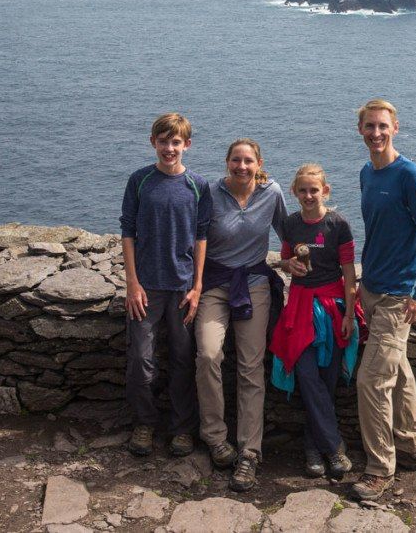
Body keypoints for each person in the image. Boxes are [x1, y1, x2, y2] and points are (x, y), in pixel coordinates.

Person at [352, 99, 416, 501]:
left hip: (397, 297)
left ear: (396, 128)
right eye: (369, 126)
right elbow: (375, 233)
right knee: (398, 369)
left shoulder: (409, 175)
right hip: (372, 289)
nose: (376, 133)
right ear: (361, 130)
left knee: (372, 381)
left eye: (383, 126)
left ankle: (379, 469)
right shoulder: (367, 174)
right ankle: (412, 443)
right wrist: (360, 282)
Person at [195, 138, 288, 492]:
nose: (242, 166)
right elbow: (197, 238)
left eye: (248, 161)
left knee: (251, 365)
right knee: (208, 354)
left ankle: (249, 451)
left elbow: (287, 235)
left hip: (253, 283)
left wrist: (305, 258)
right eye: (236, 160)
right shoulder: (211, 192)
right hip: (215, 283)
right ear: (227, 162)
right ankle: (216, 438)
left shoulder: (272, 192)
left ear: (259, 163)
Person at [120, 112, 212, 458]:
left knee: (182, 360)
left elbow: (202, 236)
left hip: (182, 287)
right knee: (141, 360)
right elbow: (128, 230)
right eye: (163, 141)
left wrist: (198, 286)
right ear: (153, 142)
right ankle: (144, 423)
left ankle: (181, 429)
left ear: (187, 145)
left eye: (176, 142)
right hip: (146, 288)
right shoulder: (140, 180)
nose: (169, 148)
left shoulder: (198, 186)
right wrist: (132, 283)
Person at [269, 163, 363, 480]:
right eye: (303, 190)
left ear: (325, 190)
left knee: (327, 382)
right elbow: (283, 260)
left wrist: (349, 314)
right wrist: (287, 264)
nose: (309, 195)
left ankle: (313, 449)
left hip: (333, 309)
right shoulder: (290, 224)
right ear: (295, 192)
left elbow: (349, 273)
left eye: (314, 190)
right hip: (299, 309)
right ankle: (335, 446)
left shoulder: (338, 225)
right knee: (307, 377)